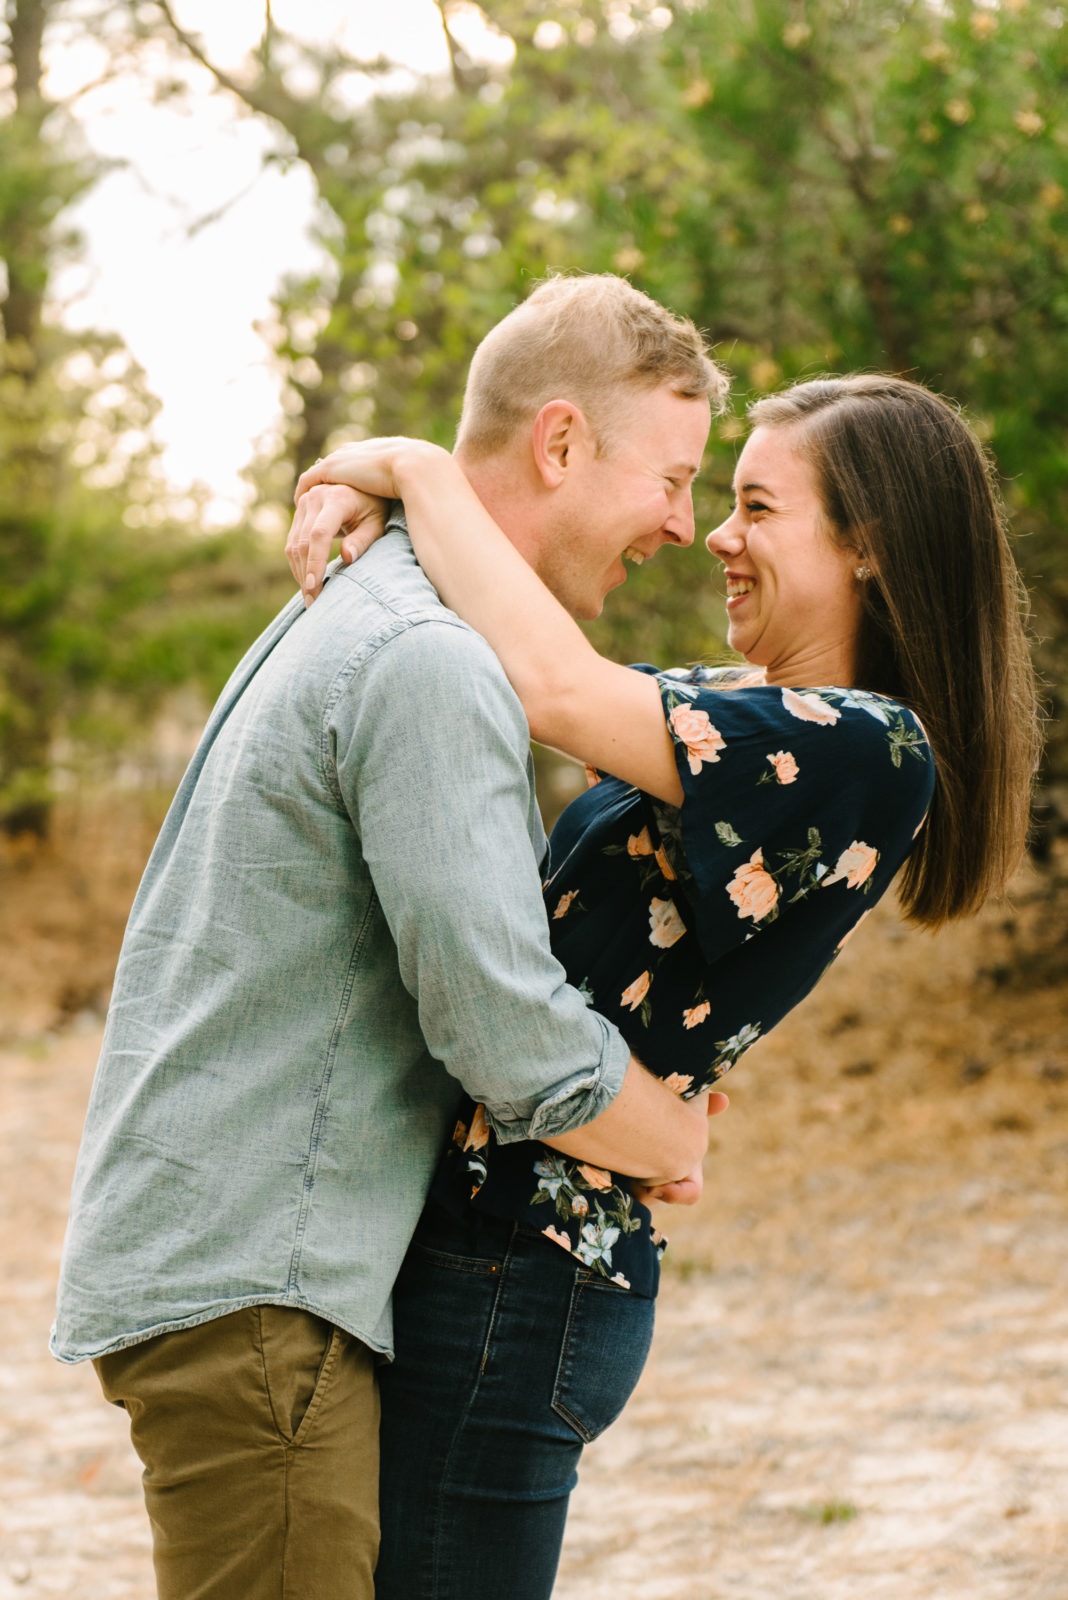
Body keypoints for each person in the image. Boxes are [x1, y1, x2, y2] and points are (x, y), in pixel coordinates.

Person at [287, 371, 1039, 1599]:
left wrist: (417, 471)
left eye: (756, 505)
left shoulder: (866, 742)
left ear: (873, 548)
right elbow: (515, 644)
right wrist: (391, 532)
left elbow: (554, 687)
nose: (719, 539)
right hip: (496, 1235)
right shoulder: (749, 708)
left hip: (520, 1266)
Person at [50, 273, 734, 1600]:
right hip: (257, 1295)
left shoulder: (363, 603)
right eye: (675, 475)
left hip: (240, 1277)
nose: (682, 522)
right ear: (557, 442)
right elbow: (501, 1026)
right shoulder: (426, 654)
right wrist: (671, 1132)